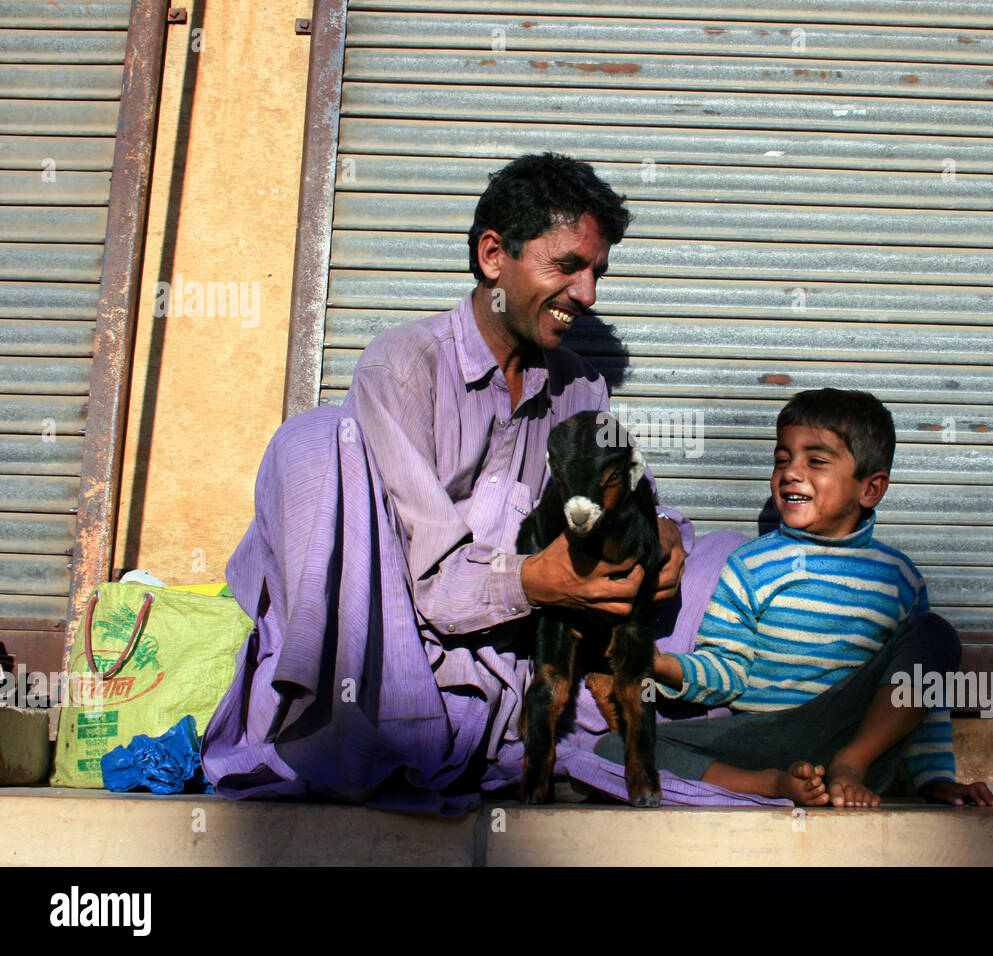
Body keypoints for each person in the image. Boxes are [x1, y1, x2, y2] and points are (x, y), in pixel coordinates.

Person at [200, 153, 746, 811]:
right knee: (316, 439)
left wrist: (661, 535)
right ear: (494, 256)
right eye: (568, 266)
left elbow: (635, 494)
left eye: (598, 272)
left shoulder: (579, 385)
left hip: (528, 651)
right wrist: (535, 580)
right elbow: (427, 578)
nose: (588, 294)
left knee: (731, 559)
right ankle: (375, 732)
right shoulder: (403, 368)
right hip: (403, 653)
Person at [596, 388, 993, 808]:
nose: (791, 472)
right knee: (612, 748)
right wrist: (658, 663)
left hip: (859, 741)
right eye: (782, 458)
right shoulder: (750, 565)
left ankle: (849, 765)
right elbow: (726, 673)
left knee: (936, 637)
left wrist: (935, 780)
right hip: (763, 740)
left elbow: (920, 699)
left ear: (871, 490)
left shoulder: (899, 579)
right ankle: (772, 786)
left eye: (817, 461)